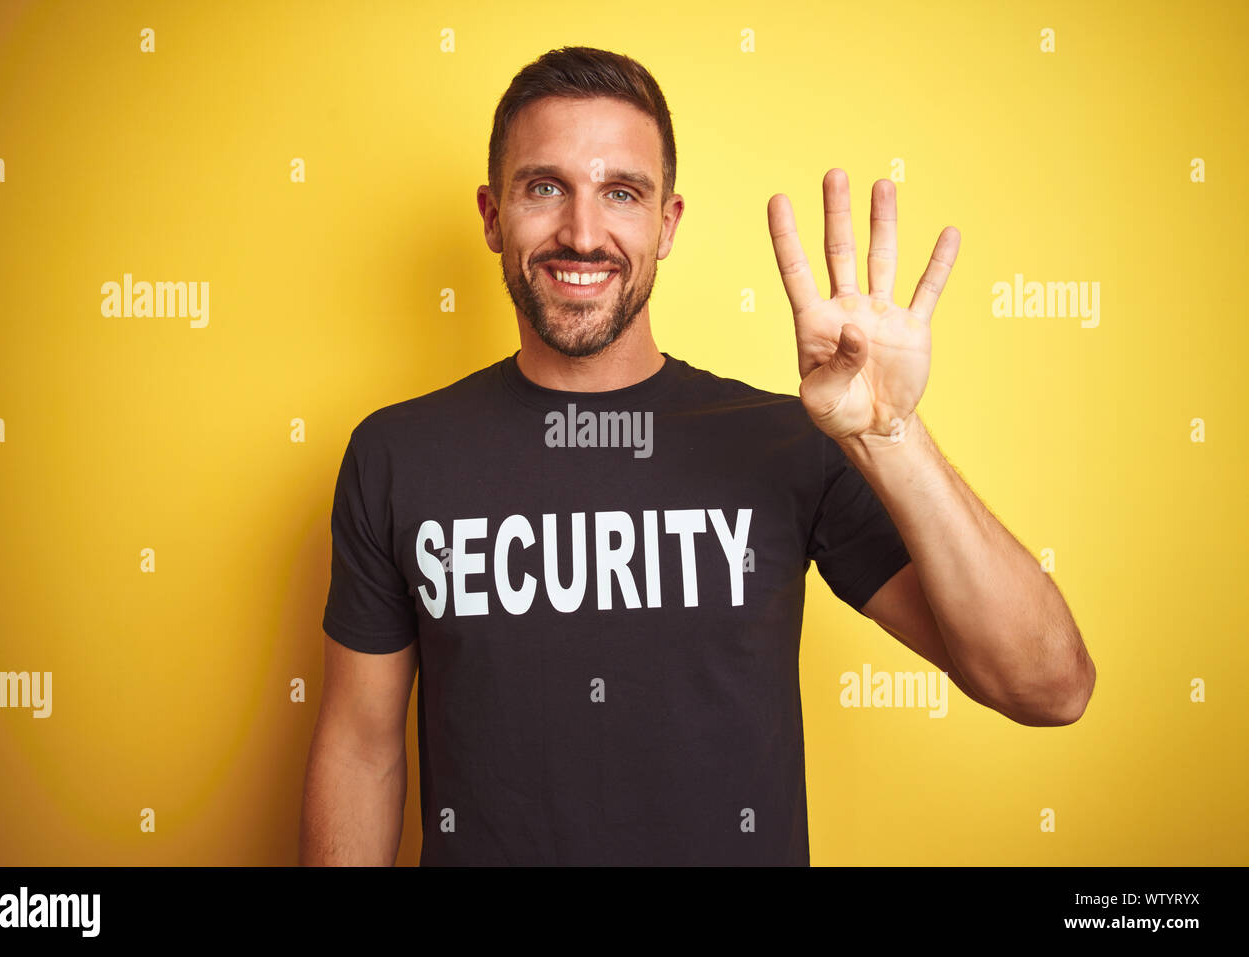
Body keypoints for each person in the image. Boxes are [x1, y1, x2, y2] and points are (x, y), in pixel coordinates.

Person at [299, 46, 1095, 867]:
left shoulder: (787, 443)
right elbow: (361, 749)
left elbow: (1048, 687)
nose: (582, 232)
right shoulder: (396, 456)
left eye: (621, 193)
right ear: (493, 214)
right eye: (545, 187)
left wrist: (891, 435)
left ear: (668, 223)